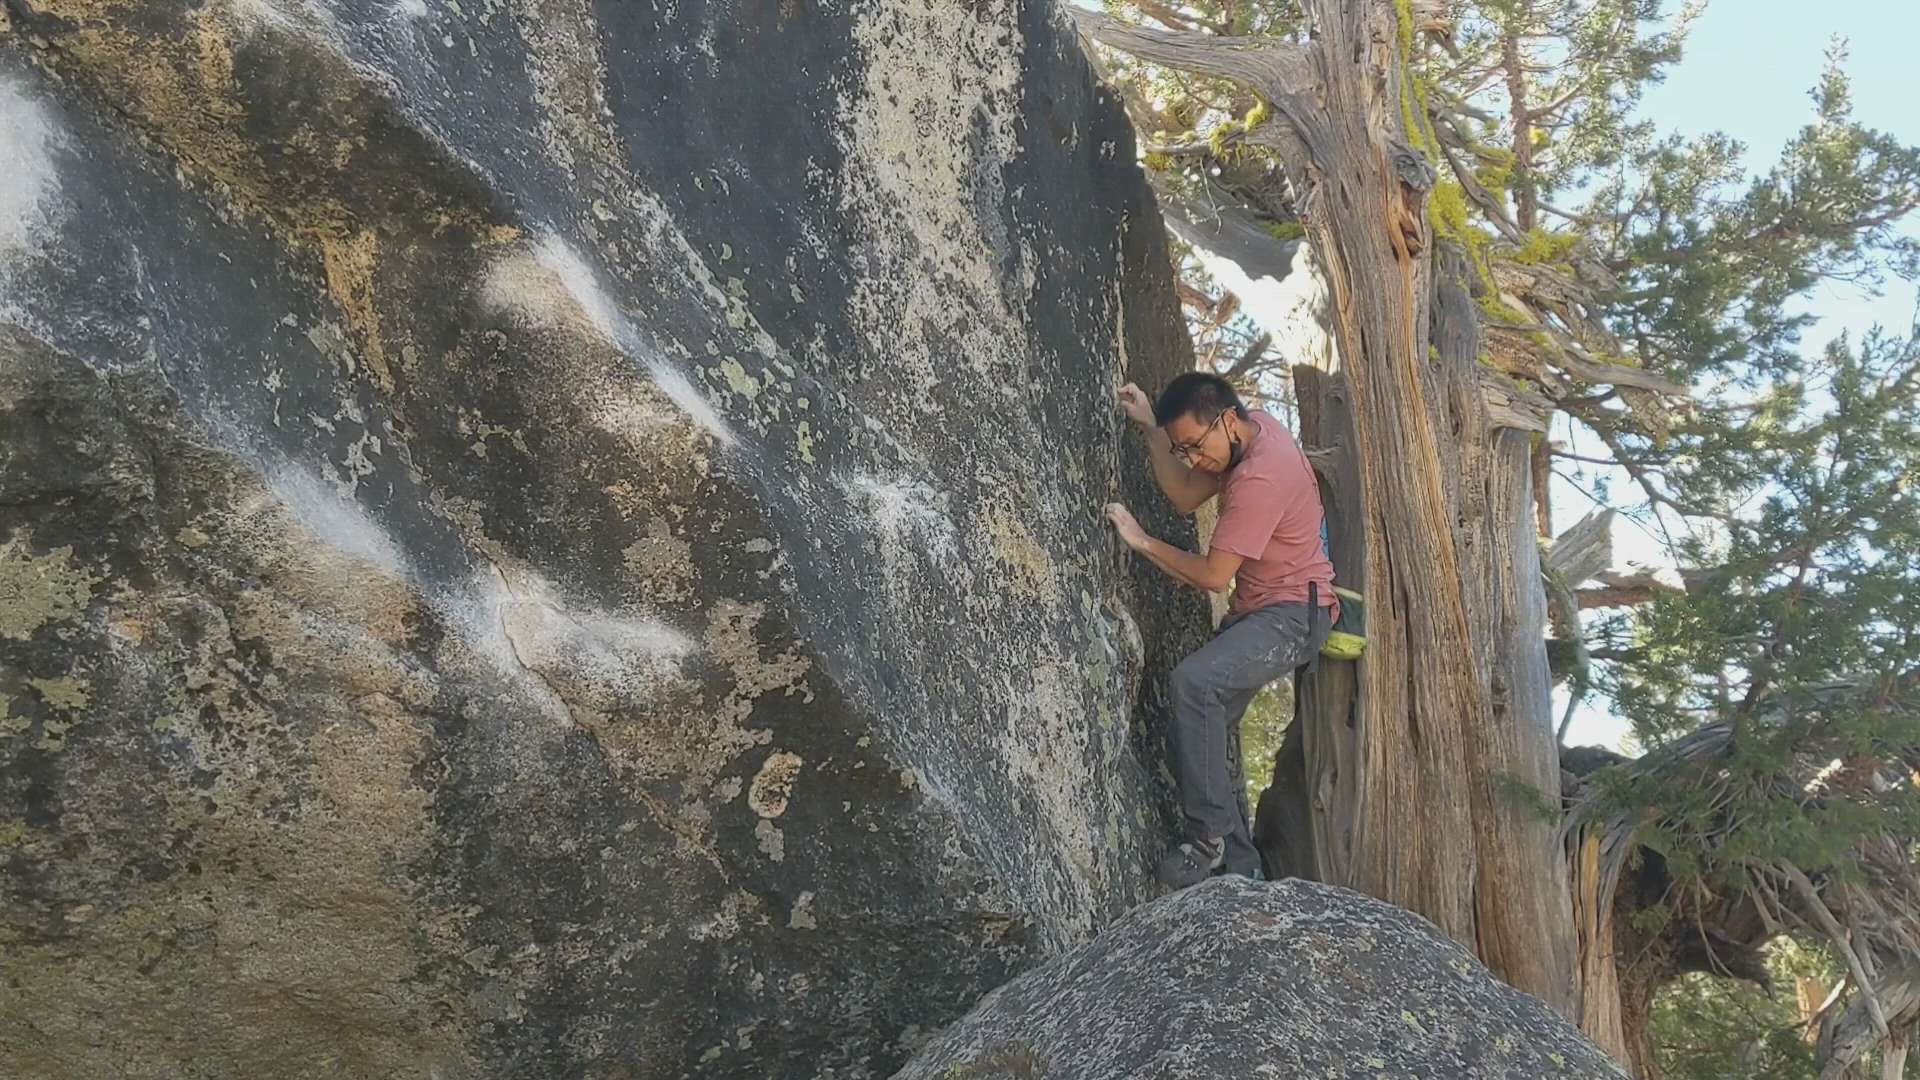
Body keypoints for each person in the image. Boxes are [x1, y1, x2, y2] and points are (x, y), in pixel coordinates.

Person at [1105, 372, 1337, 887]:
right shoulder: (1246, 435)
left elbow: (1212, 576)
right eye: (1182, 449)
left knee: (1195, 683)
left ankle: (1208, 839)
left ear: (1227, 421)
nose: (1193, 459)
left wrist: (1141, 542)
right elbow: (1187, 497)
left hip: (1295, 616)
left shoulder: (1261, 475)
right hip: (1262, 611)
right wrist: (1151, 427)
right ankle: (1242, 864)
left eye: (1193, 446)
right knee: (1203, 732)